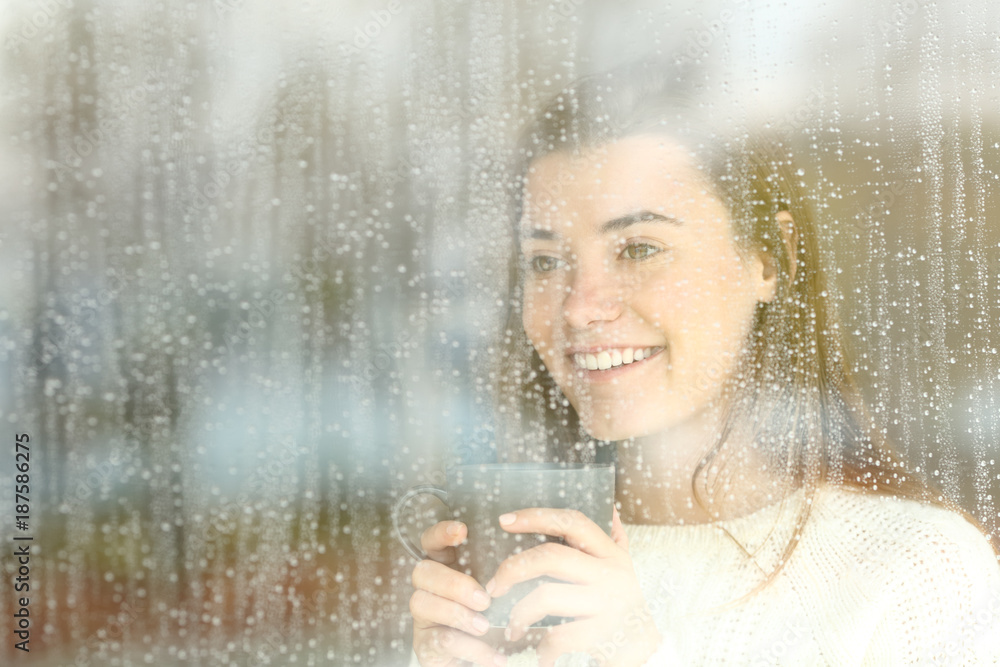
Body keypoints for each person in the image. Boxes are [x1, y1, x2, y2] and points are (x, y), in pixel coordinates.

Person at [406, 61, 1000, 666]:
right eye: (543, 261)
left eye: (639, 249)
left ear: (770, 259)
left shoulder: (915, 571)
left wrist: (632, 655)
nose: (580, 307)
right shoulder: (516, 564)